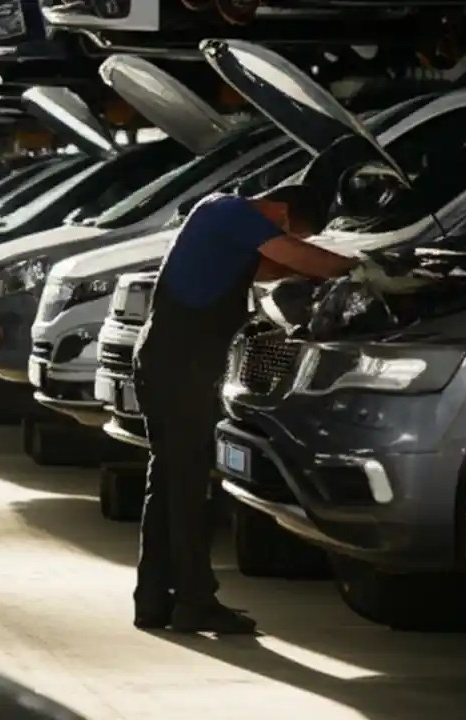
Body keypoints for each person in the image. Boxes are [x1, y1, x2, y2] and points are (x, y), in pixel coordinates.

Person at [131, 184, 362, 634]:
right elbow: (302, 259)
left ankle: (154, 599)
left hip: (166, 360)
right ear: (281, 213)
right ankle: (195, 602)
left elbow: (273, 267)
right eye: (296, 231)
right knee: (188, 487)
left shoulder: (220, 218)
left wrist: (312, 271)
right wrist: (361, 269)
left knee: (170, 483)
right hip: (180, 365)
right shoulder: (234, 212)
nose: (292, 237)